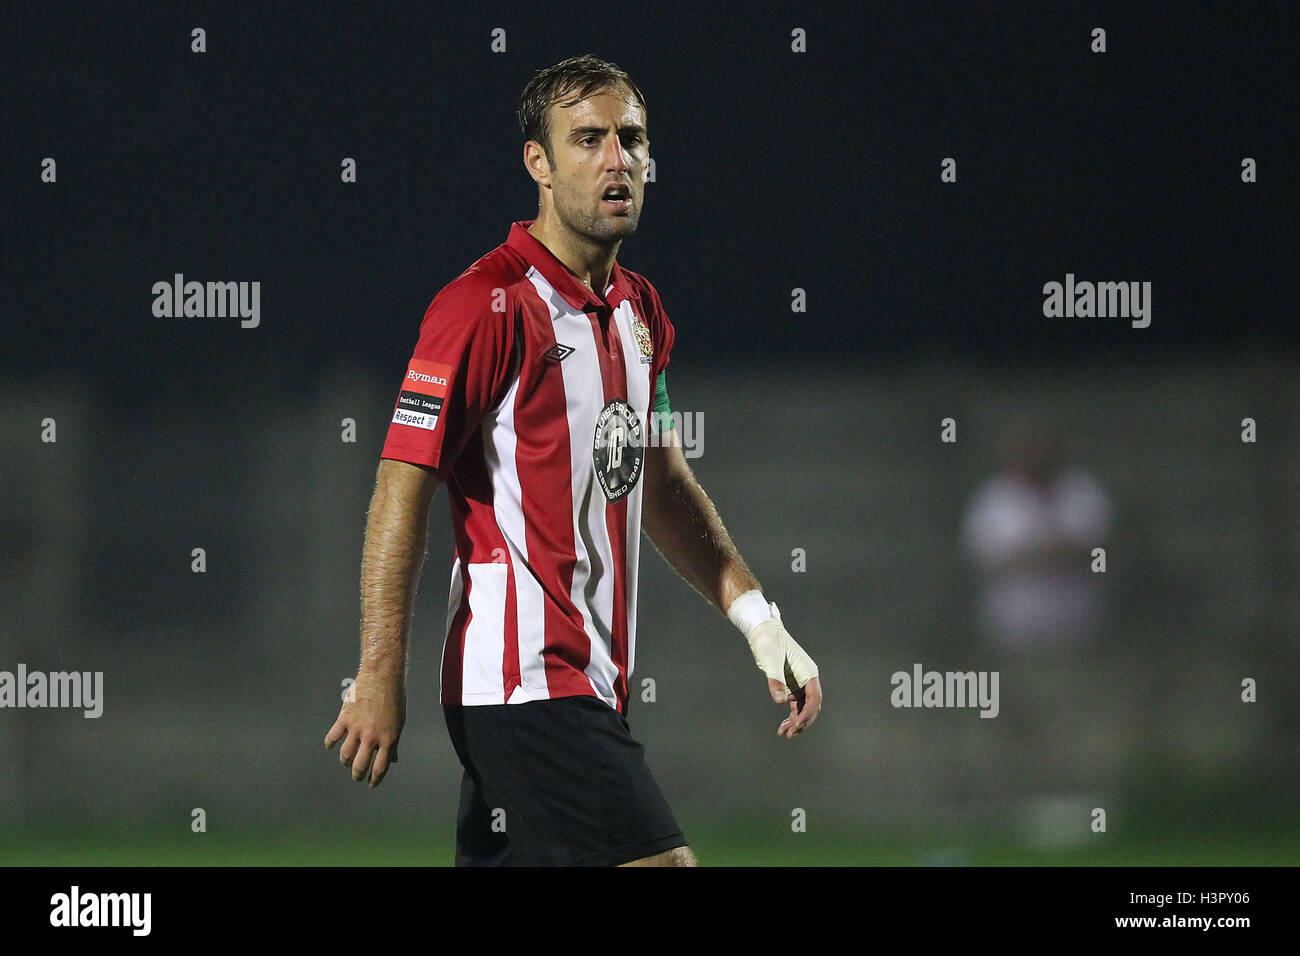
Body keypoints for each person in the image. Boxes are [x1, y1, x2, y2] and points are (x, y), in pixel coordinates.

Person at [324, 54, 822, 867]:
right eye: (587, 140)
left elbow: (662, 484)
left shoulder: (641, 313)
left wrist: (758, 620)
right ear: (540, 165)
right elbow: (399, 486)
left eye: (630, 138)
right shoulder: (484, 306)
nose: (616, 159)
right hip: (524, 678)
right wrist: (378, 672)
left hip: (592, 681)